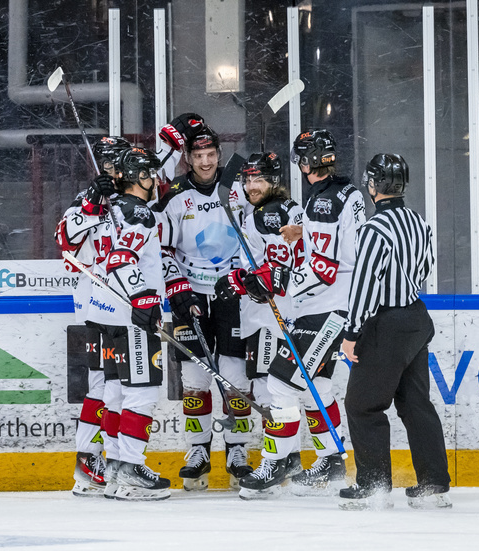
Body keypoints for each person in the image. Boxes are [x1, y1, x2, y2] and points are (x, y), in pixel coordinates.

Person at [338, 153, 451, 511]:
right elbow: (426, 268)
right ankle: (433, 484)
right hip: (416, 319)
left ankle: (373, 485)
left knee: (362, 405)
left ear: (373, 186)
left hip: (385, 325)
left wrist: (351, 332)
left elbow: (364, 286)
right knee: (416, 404)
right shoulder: (419, 222)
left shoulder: (374, 229)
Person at [153, 124, 254, 490]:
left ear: (219, 156)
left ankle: (238, 449)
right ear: (188, 159)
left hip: (232, 293)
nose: (206, 162)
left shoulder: (237, 188)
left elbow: (253, 237)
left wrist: (241, 277)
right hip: (189, 295)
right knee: (195, 381)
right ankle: (197, 451)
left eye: (211, 156)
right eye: (199, 157)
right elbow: (161, 249)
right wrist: (177, 289)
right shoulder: (175, 195)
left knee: (236, 378)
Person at [72, 146, 170, 501]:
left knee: (113, 392)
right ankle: (129, 470)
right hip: (131, 317)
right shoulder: (141, 212)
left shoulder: (107, 208)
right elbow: (120, 260)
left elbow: (73, 244)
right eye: (150, 174)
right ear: (140, 178)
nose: (155, 180)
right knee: (141, 392)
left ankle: (113, 467)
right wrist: (143, 299)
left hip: (105, 314)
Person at [271, 129, 365, 494]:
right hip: (341, 303)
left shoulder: (320, 202)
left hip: (326, 307)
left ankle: (275, 463)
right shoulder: (347, 190)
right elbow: (343, 240)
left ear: (307, 162)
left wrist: (279, 282)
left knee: (280, 382)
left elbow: (323, 270)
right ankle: (332, 460)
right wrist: (304, 232)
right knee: (317, 388)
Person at [213, 151, 307, 499]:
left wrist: (241, 281)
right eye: (248, 179)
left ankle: (276, 461)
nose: (252, 186)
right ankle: (290, 457)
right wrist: (240, 278)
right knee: (271, 387)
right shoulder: (283, 210)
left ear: (275, 181)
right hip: (267, 314)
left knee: (271, 389)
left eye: (260, 179)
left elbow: (279, 272)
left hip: (274, 316)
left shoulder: (270, 214)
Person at [57, 136, 131, 497]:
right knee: (104, 385)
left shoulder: (132, 202)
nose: (120, 171)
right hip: (96, 307)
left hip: (123, 306)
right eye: (114, 165)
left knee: (118, 388)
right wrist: (91, 204)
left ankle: (113, 458)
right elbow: (65, 242)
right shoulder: (88, 200)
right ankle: (88, 460)